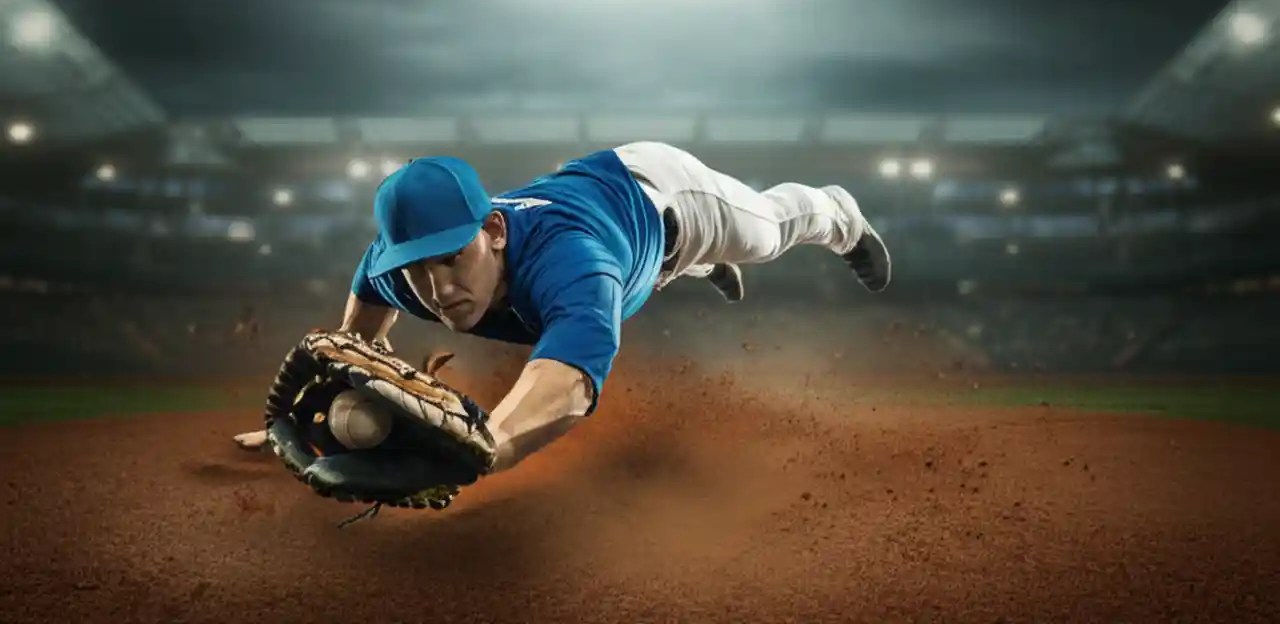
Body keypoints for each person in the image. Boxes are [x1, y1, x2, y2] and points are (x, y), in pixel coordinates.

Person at [232, 140, 890, 474]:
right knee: (627, 279)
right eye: (415, 266)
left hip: (669, 198)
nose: (437, 288)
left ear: (493, 230)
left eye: (451, 258)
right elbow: (353, 348)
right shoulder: (395, 272)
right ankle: (688, 269)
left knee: (767, 234)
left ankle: (836, 213)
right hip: (613, 235)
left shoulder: (571, 263)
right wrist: (302, 416)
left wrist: (487, 445)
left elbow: (568, 385)